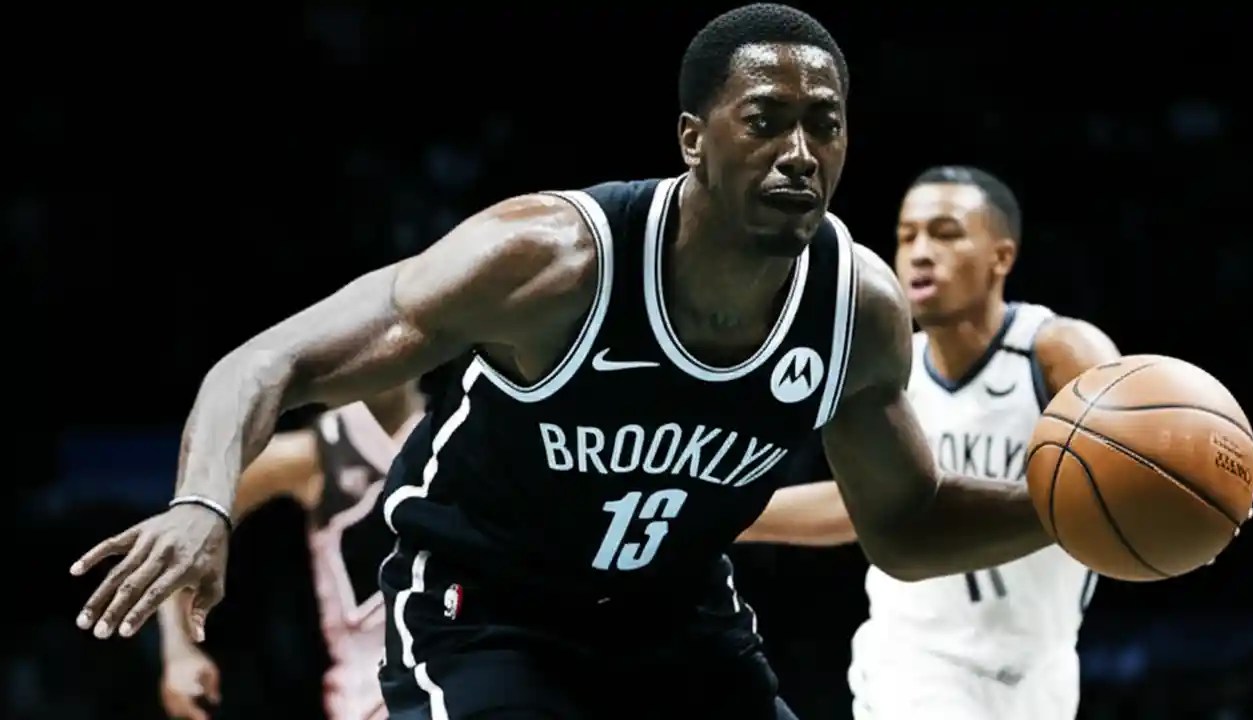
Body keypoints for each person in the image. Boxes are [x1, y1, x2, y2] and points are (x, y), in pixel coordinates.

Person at [72, 6, 1075, 718]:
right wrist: (203, 504)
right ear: (692, 137)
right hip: (488, 608)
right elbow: (268, 361)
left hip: (676, 615)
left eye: (824, 123)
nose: (799, 152)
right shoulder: (548, 260)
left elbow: (900, 526)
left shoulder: (856, 309)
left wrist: (1070, 509)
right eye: (764, 120)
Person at [738, 166, 1121, 719]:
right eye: (907, 235)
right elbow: (865, 508)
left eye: (945, 233)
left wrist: (1188, 500)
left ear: (1001, 256)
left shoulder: (1059, 354)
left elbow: (1134, 467)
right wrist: (727, 512)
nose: (919, 252)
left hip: (1043, 674)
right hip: (914, 664)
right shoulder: (887, 371)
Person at [158, 380, 427, 720]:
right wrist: (178, 650)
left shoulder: (466, 432)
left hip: (468, 681)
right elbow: (183, 533)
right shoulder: (315, 453)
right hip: (370, 699)